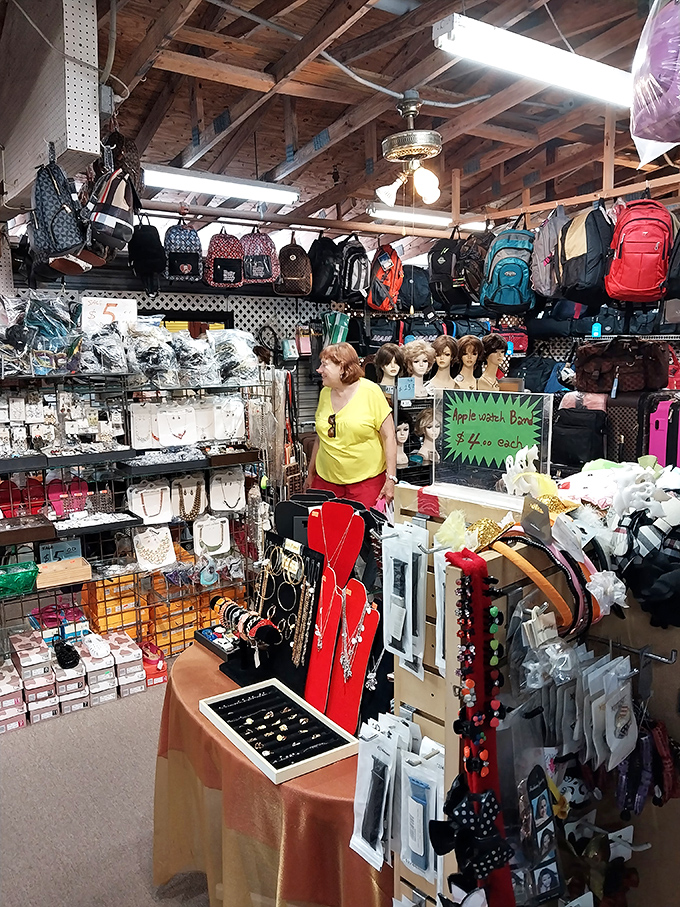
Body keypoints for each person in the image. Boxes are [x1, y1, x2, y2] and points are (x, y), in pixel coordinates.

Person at [305, 342, 398, 508]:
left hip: (366, 484)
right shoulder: (325, 393)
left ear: (342, 367)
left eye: (325, 365)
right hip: (326, 482)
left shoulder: (371, 392)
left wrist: (391, 478)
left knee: (362, 531)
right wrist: (311, 473)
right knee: (326, 532)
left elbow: (389, 436)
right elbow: (321, 436)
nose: (319, 370)